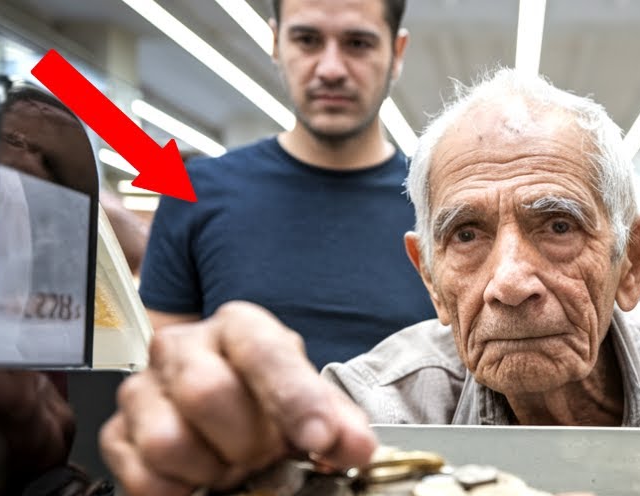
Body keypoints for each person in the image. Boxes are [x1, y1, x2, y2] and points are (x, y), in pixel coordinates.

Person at [102, 68, 640, 496]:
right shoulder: (367, 416)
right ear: (429, 278)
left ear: (633, 261)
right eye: (468, 236)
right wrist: (210, 460)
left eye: (557, 225)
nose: (509, 283)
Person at [138, 0, 436, 369]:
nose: (330, 69)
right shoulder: (195, 193)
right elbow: (166, 370)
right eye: (307, 40)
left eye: (358, 43)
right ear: (277, 43)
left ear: (396, 52)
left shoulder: (437, 202)